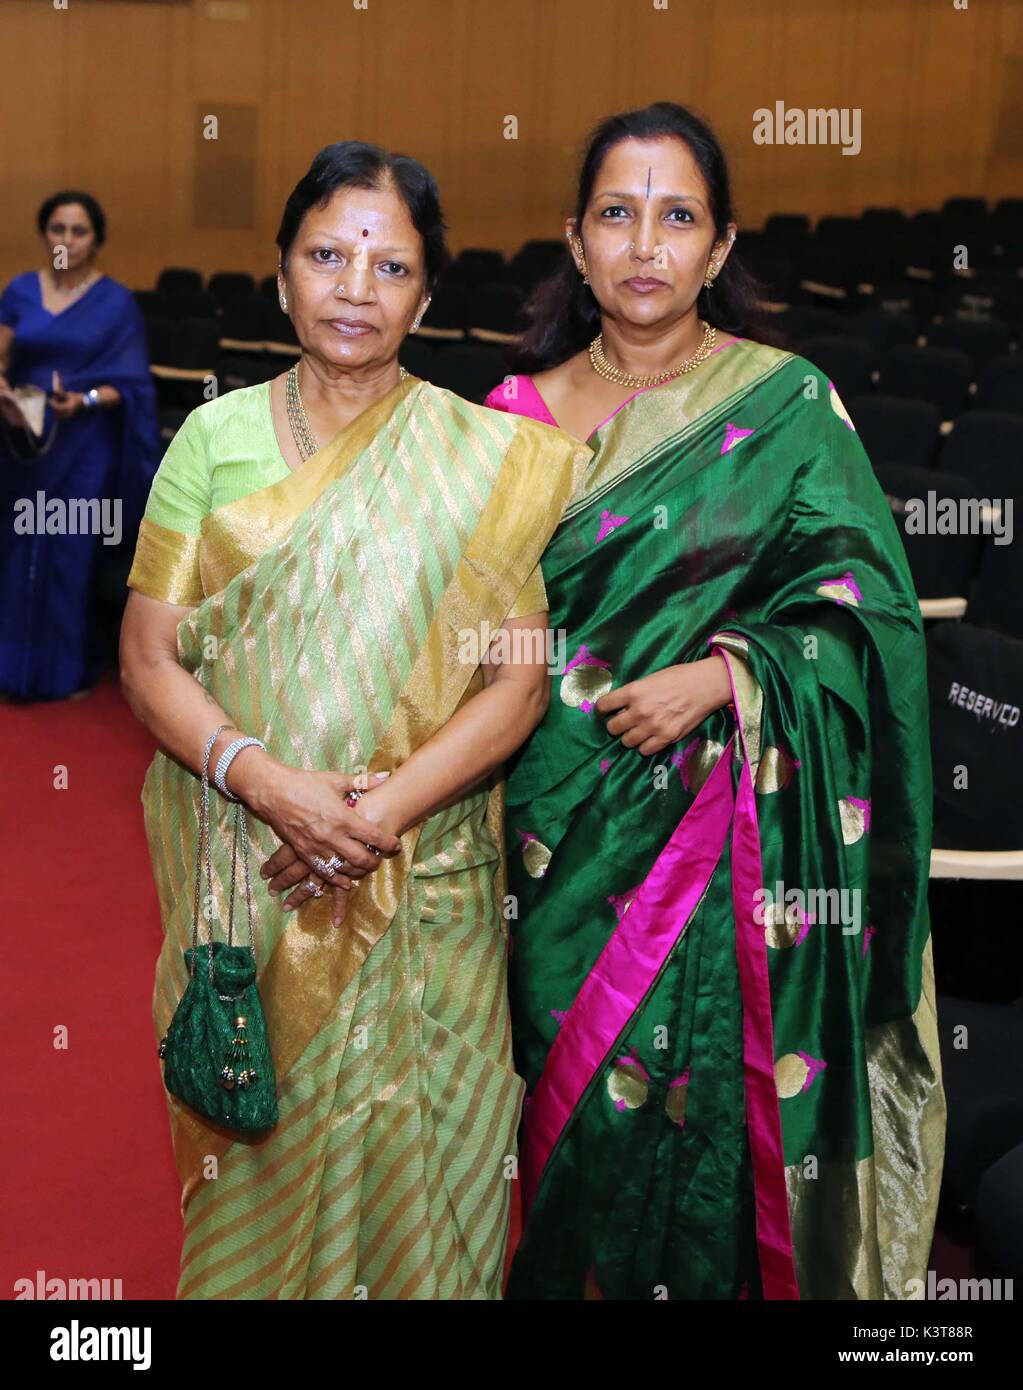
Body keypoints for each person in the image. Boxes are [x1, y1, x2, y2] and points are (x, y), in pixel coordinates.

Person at [484, 101, 945, 1300]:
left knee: (705, 1133)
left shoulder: (790, 409)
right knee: (567, 1123)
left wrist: (730, 675)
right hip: (546, 845)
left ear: (721, 249)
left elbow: (868, 616)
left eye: (677, 216)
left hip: (723, 840)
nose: (646, 244)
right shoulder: (505, 422)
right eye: (617, 215)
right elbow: (460, 644)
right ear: (575, 243)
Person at [119, 140, 589, 1300]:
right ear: (281, 275)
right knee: (266, 1187)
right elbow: (147, 657)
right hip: (258, 879)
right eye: (327, 255)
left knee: (434, 1183)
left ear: (426, 296)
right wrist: (272, 784)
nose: (354, 287)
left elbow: (518, 680)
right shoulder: (213, 442)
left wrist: (369, 813)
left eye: (389, 266)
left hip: (426, 890)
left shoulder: (485, 459)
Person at [0, 190, 159, 699]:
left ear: (96, 241)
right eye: (57, 229)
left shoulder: (115, 302)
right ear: (44, 234)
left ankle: (61, 672)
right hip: (24, 437)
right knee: (18, 545)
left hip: (86, 442)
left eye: (79, 231)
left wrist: (86, 399)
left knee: (69, 549)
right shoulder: (20, 290)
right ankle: (12, 669)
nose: (66, 240)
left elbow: (133, 383)